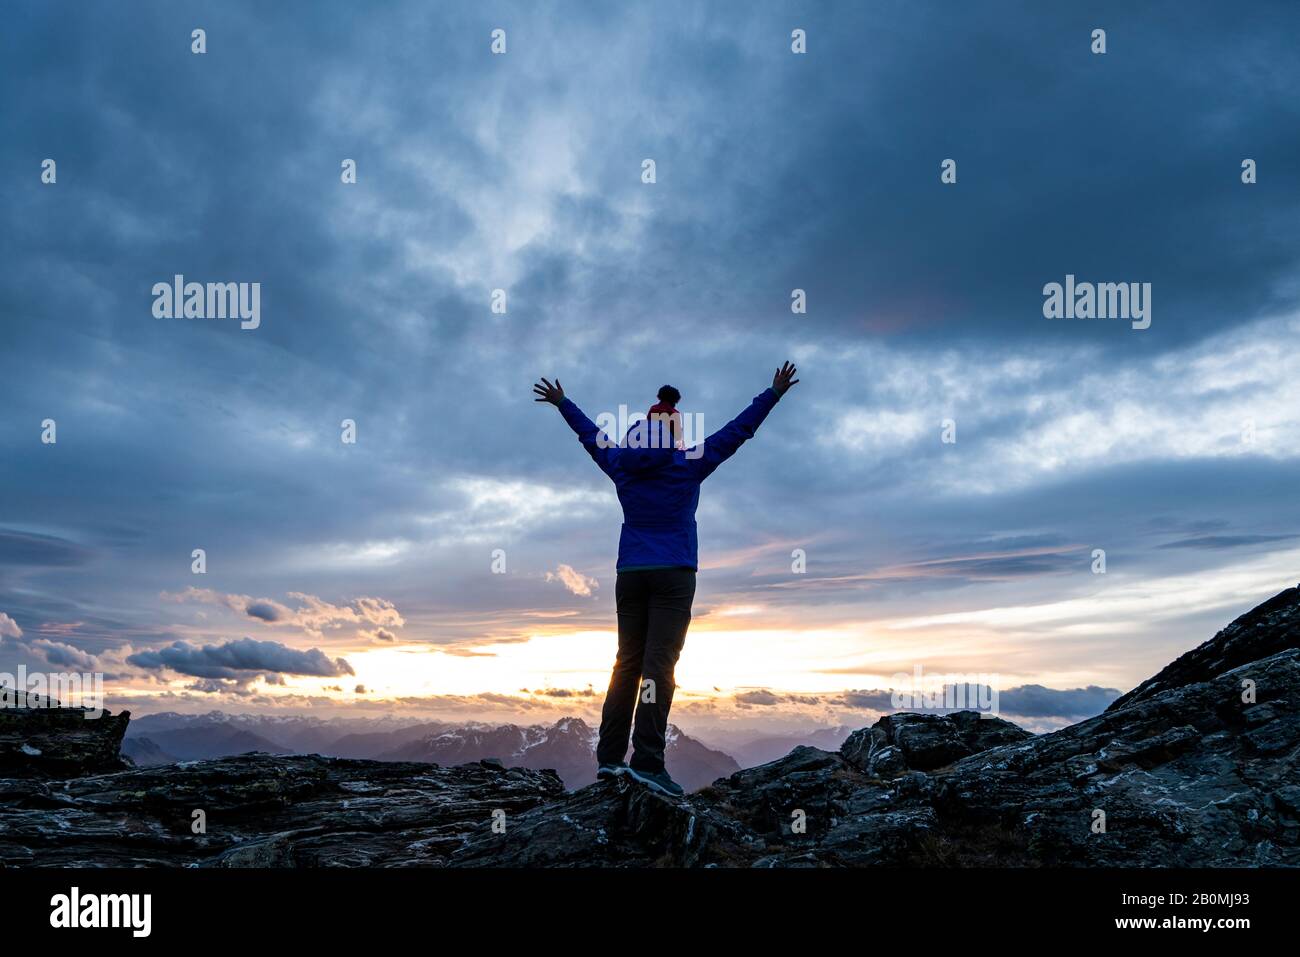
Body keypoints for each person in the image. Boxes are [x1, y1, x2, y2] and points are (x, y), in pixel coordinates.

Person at [532, 362, 799, 795]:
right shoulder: (688, 462)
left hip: (630, 573)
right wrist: (772, 394)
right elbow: (737, 432)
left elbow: (589, 435)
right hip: (674, 573)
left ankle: (609, 760)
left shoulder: (620, 462)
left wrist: (563, 402)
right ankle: (648, 762)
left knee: (626, 664)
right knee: (658, 667)